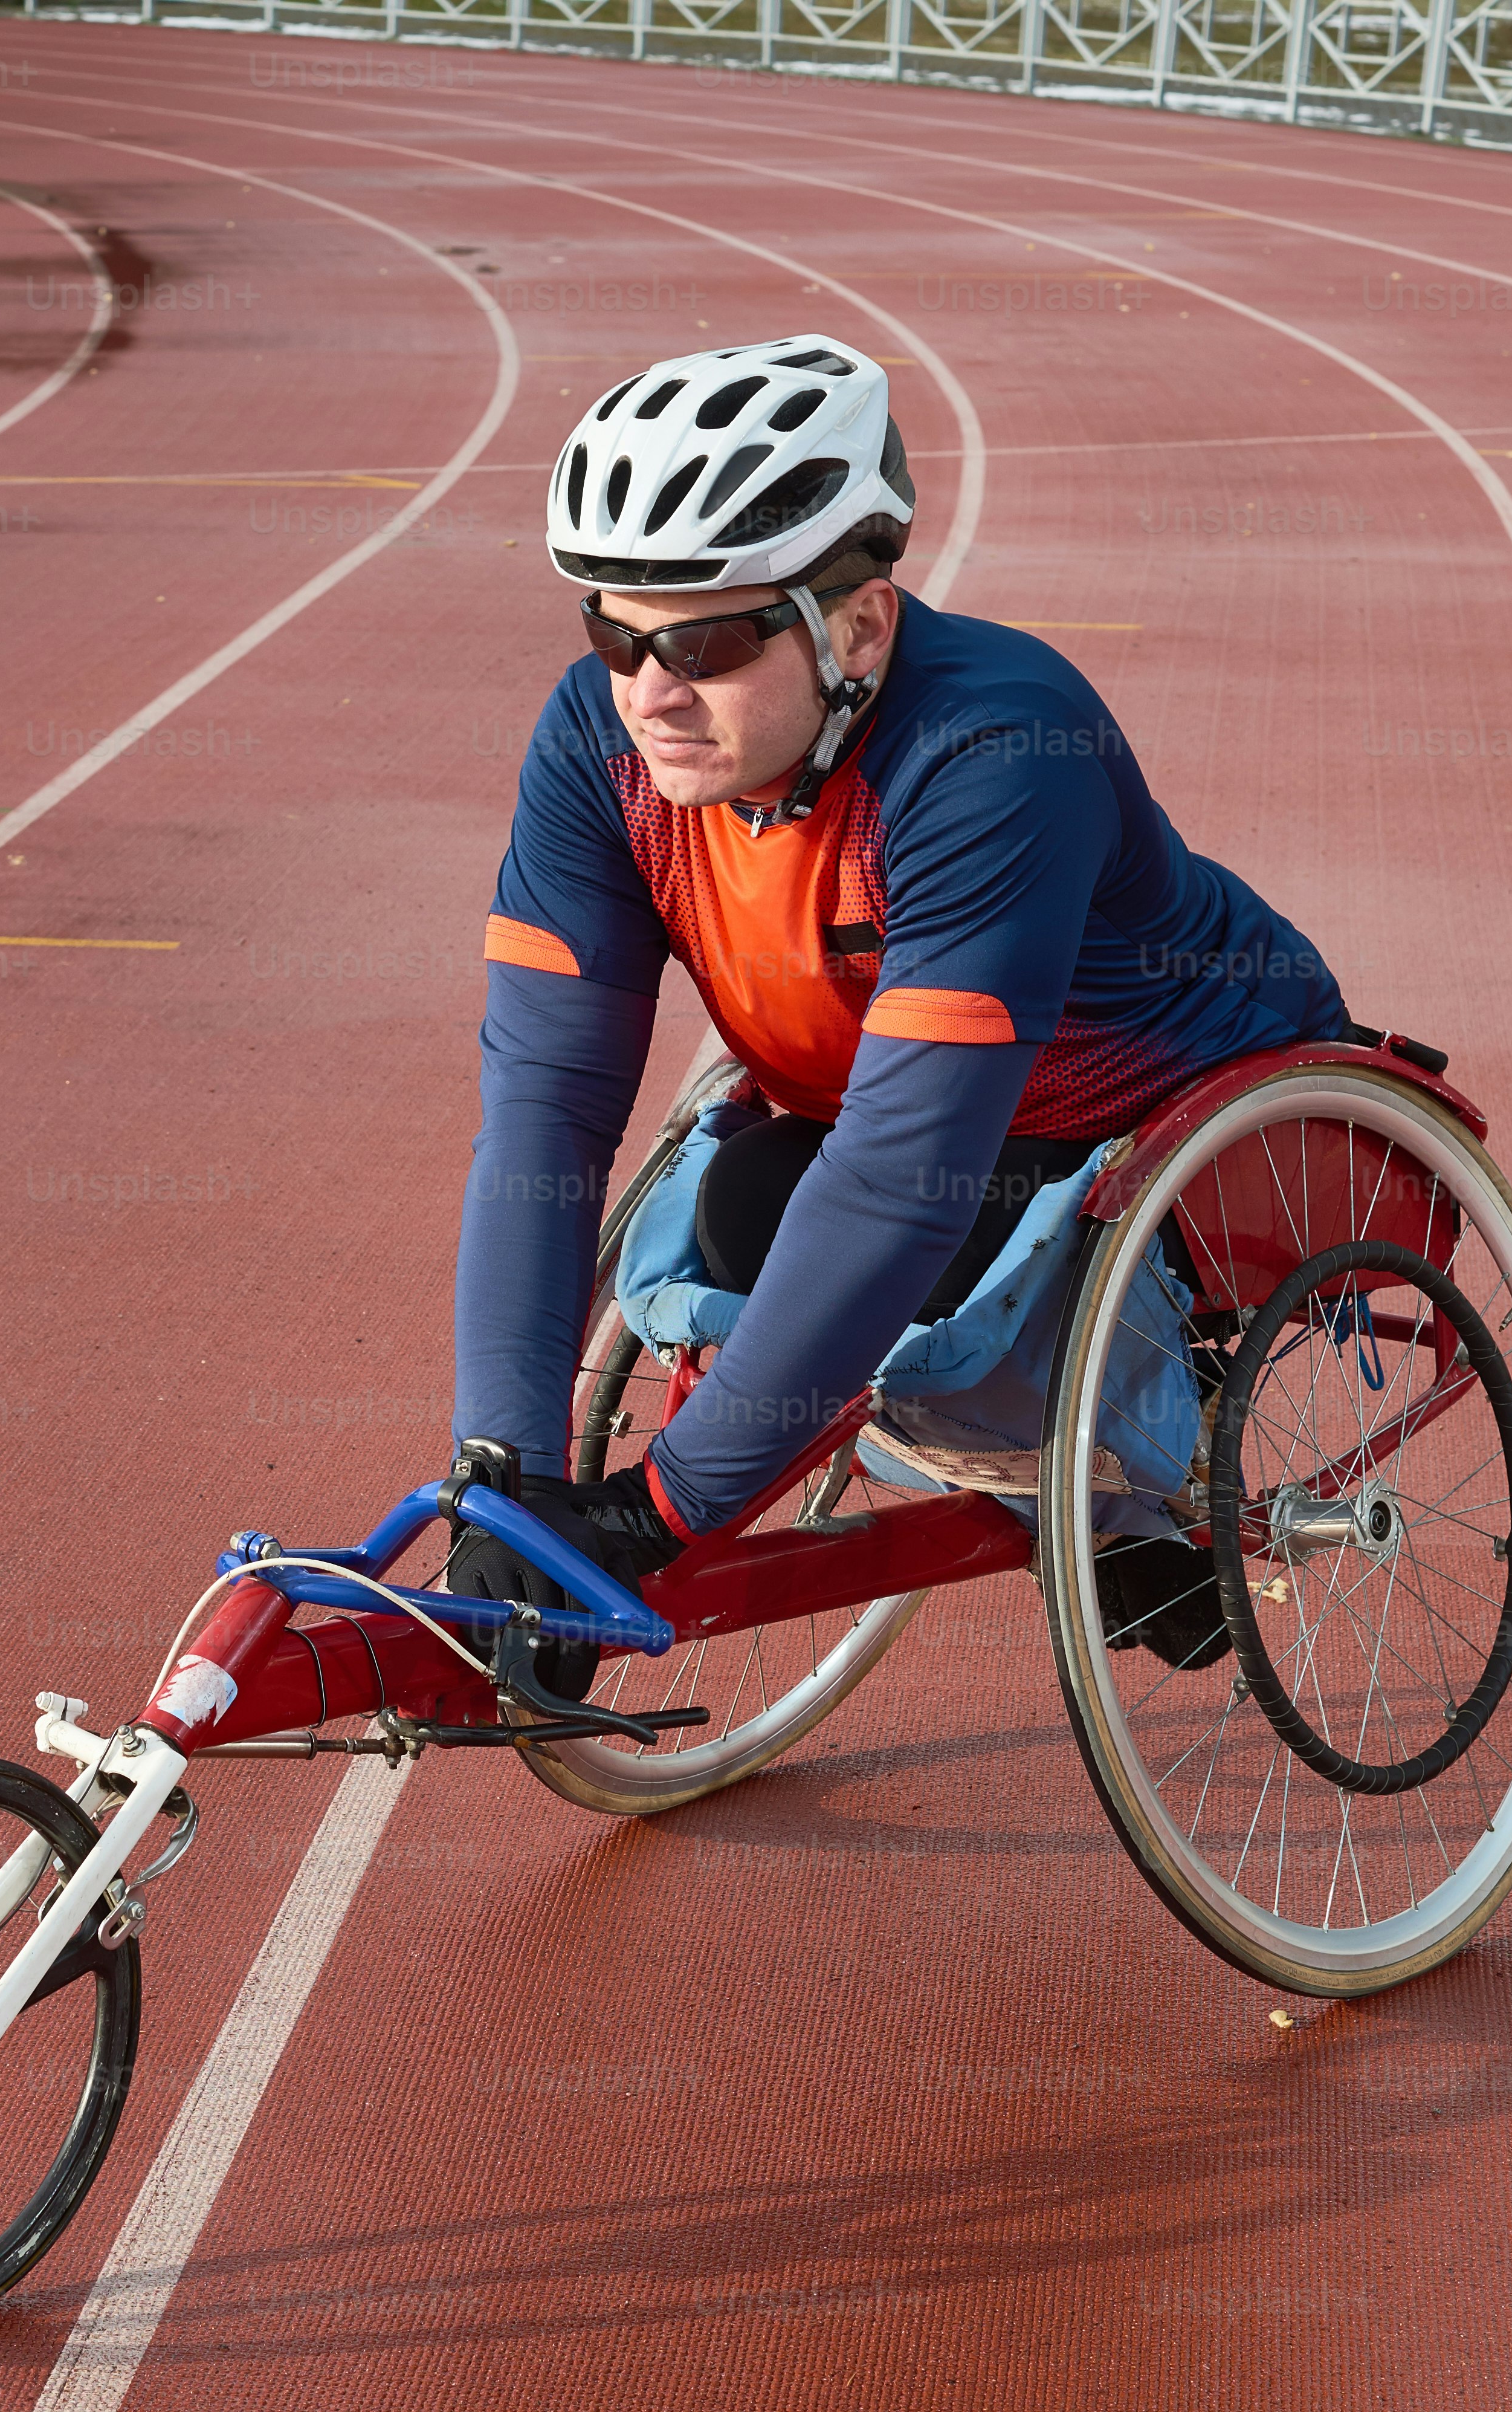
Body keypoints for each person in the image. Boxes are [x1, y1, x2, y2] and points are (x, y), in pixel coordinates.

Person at [442, 335, 1354, 1676]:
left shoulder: (992, 750)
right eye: (610, 629)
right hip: (899, 1106)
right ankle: (1070, 1472)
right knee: (743, 1209)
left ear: (856, 625)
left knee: (945, 1273)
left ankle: (1147, 1462)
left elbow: (900, 1180)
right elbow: (544, 1112)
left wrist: (657, 1513)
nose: (647, 690)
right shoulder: (598, 743)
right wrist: (497, 1479)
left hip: (1160, 1100)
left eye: (703, 638)